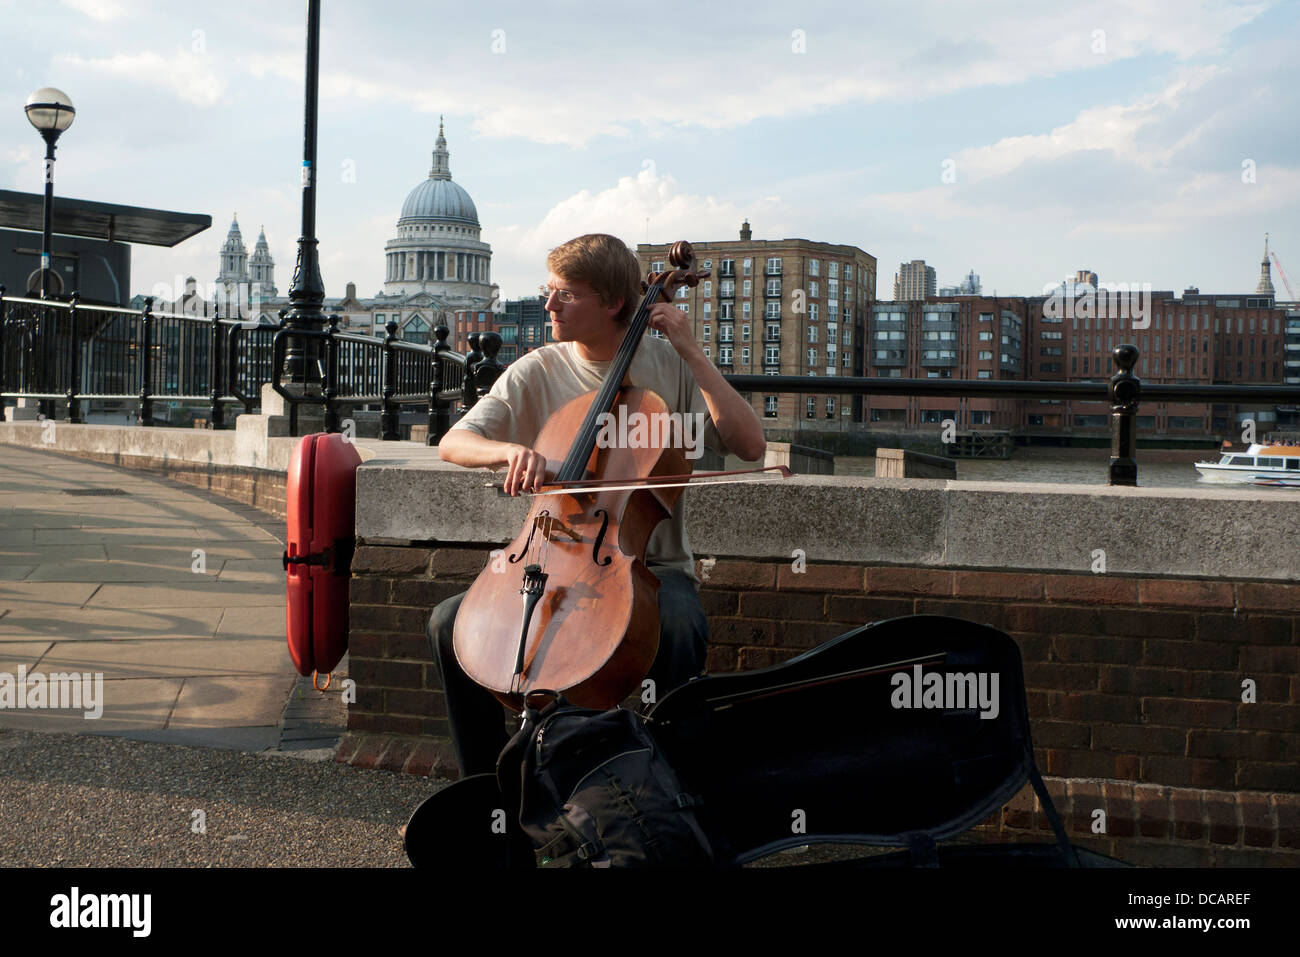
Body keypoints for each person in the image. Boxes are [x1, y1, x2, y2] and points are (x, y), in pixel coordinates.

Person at [426, 232, 766, 777]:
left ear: (612, 303)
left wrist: (693, 352)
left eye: (566, 294)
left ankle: (674, 790)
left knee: (678, 624)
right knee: (448, 624)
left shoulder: (670, 368)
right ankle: (487, 795)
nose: (548, 305)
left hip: (649, 569)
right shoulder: (538, 369)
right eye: (549, 290)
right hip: (548, 561)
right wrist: (509, 451)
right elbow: (453, 442)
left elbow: (751, 447)